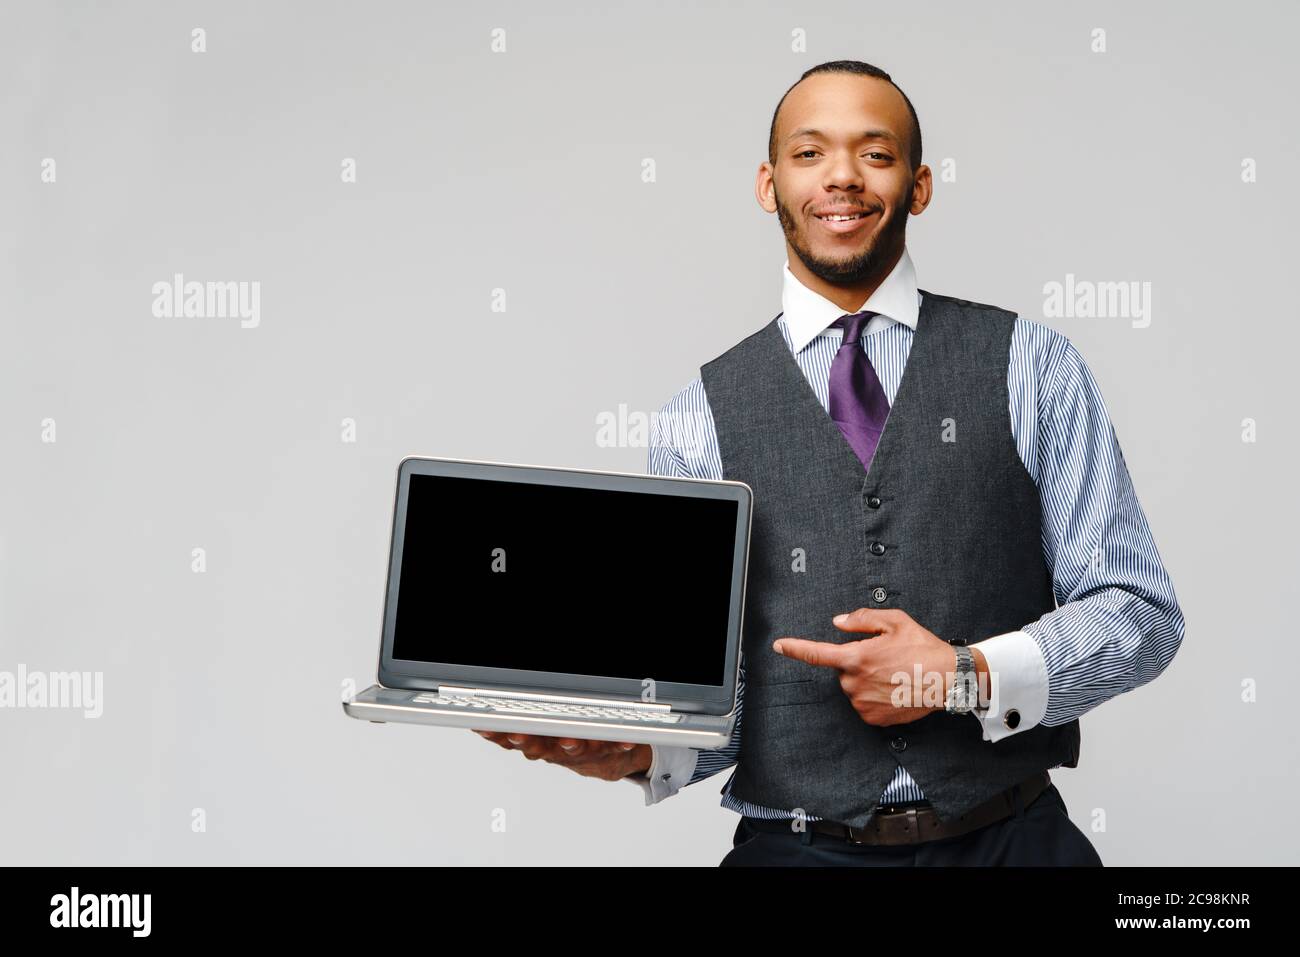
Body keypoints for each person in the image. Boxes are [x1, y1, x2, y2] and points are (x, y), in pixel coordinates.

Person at [473, 59, 1184, 866]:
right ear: (767, 183)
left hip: (1013, 842)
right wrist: (630, 751)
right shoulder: (697, 415)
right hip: (793, 852)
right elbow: (723, 696)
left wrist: (963, 674)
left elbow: (1139, 611)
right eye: (810, 154)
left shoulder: (1034, 363)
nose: (841, 176)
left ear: (918, 187)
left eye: (874, 154)